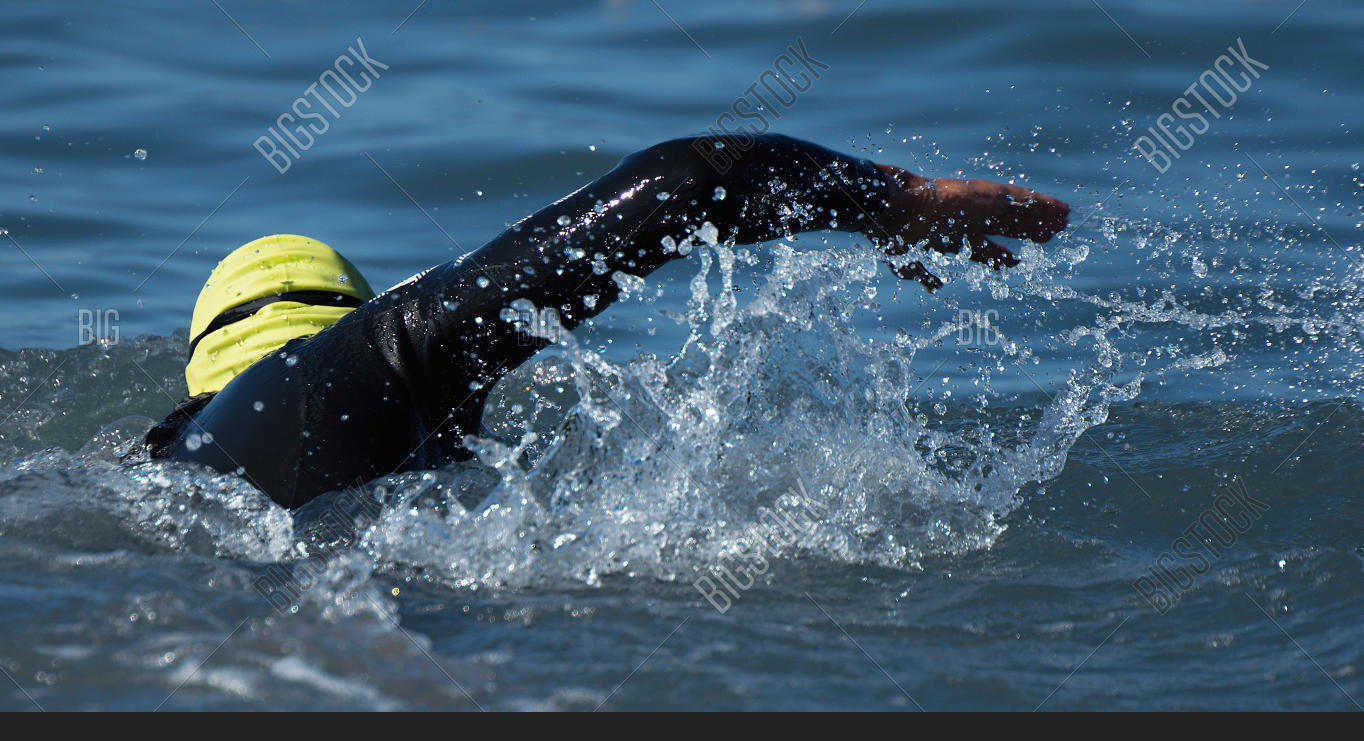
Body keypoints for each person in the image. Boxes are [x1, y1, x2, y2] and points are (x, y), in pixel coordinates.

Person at [144, 133, 1070, 508]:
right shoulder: (381, 357)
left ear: (201, 375)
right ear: (353, 316)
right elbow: (691, 181)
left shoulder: (161, 469)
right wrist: (894, 200)